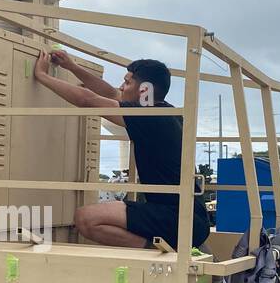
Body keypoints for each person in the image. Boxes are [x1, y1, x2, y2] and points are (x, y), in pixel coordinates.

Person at [32, 51, 209, 250]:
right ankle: (160, 248)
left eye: (127, 82)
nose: (122, 87)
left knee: (85, 219)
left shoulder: (151, 116)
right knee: (91, 217)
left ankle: (155, 251)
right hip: (188, 216)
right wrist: (72, 67)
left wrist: (43, 76)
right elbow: (111, 94)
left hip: (176, 216)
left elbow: (88, 101)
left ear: (144, 90)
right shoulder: (165, 111)